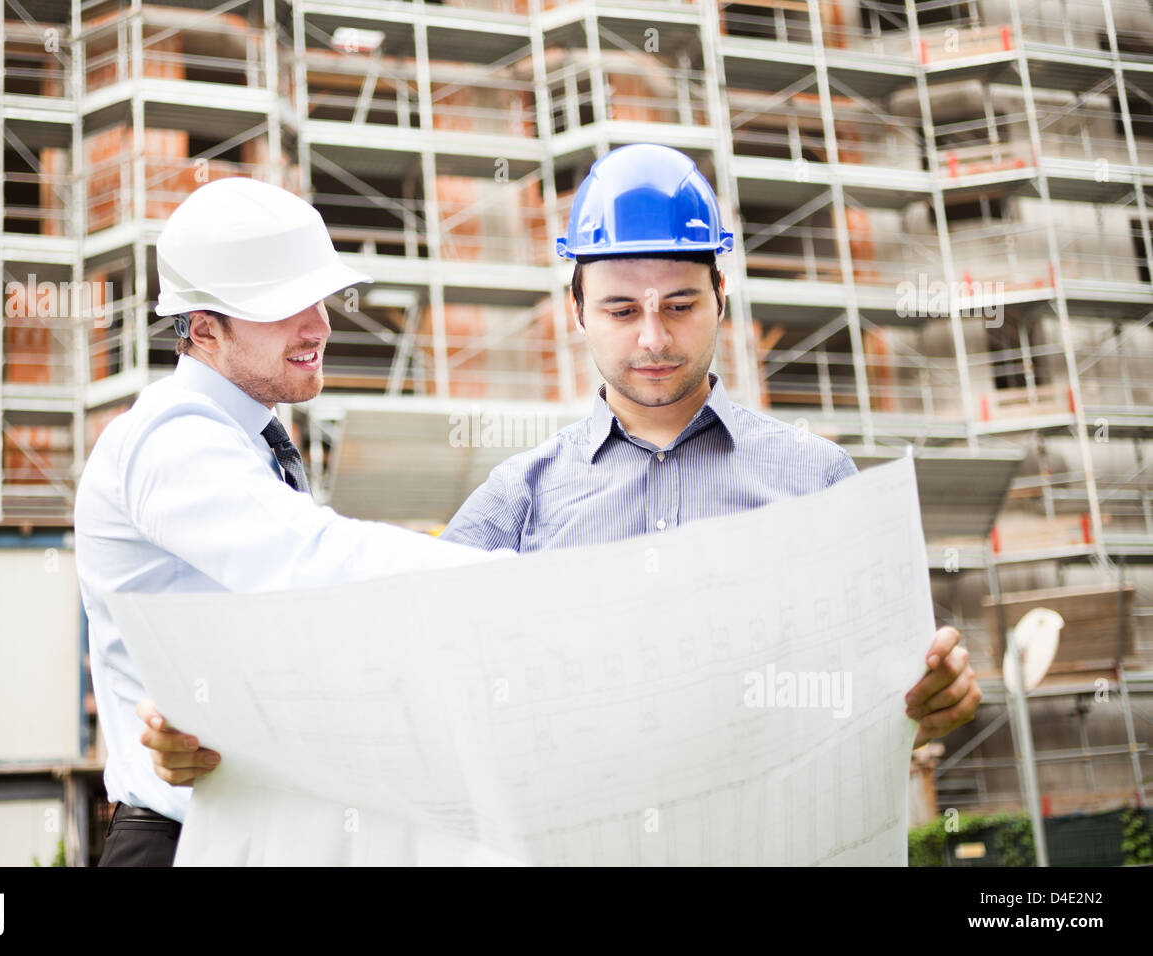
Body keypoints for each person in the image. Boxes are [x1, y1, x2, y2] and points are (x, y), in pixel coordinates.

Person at [141, 147, 979, 819]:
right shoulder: (520, 501)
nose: (653, 337)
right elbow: (386, 667)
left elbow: (884, 689)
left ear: (723, 296)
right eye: (621, 310)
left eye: (681, 304)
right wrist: (226, 731)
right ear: (576, 307)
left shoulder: (819, 478)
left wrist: (929, 700)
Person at [74, 177, 503, 866]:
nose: (320, 326)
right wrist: (515, 584)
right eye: (282, 308)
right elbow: (310, 565)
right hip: (180, 841)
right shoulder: (170, 439)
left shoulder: (249, 439)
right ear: (204, 328)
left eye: (320, 298)